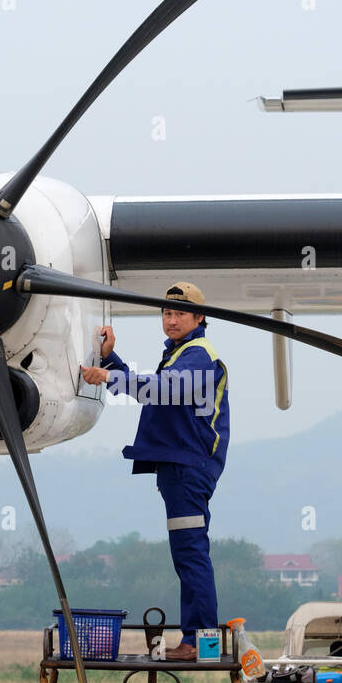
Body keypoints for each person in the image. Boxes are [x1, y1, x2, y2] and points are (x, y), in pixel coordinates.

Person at [80, 282, 229, 662]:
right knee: (188, 555)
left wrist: (109, 376)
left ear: (199, 318)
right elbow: (153, 387)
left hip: (188, 468)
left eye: (179, 313)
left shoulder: (197, 356)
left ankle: (199, 642)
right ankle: (198, 640)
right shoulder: (180, 354)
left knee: (191, 555)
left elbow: (159, 390)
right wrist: (112, 362)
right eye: (166, 312)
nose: (171, 319)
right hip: (180, 468)